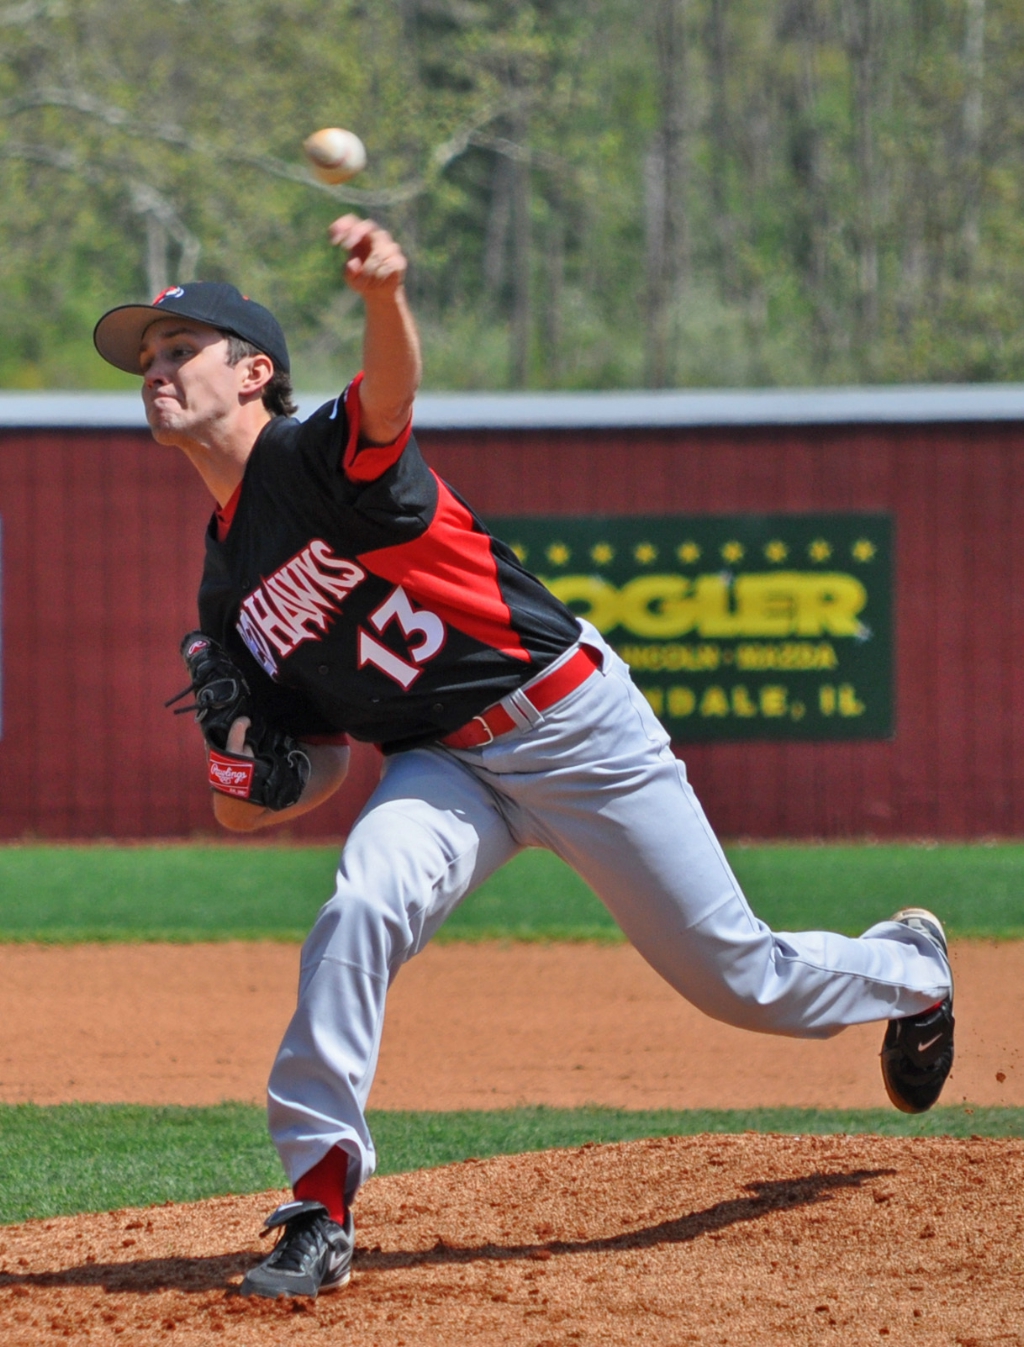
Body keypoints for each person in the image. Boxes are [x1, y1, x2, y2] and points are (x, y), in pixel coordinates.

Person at [93, 216, 955, 1300]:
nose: (155, 371)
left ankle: (912, 971)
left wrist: (384, 296)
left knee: (740, 979)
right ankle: (319, 1201)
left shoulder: (314, 458)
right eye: (146, 357)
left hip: (575, 728)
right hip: (443, 770)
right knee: (361, 902)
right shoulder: (227, 590)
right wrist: (241, 769)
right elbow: (303, 774)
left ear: (254, 371)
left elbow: (389, 395)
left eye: (180, 349)